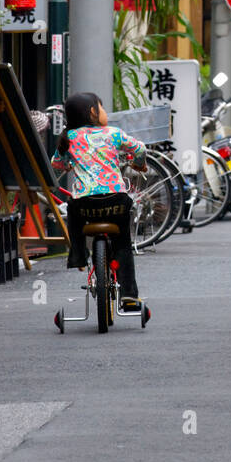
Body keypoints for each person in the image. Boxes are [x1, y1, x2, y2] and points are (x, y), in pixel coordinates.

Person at [52, 92, 148, 310]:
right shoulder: (113, 134)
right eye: (102, 108)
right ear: (94, 113)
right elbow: (140, 148)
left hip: (85, 206)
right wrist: (139, 164)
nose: (104, 112)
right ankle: (129, 295)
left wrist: (68, 164)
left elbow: (56, 162)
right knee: (123, 243)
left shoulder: (70, 137)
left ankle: (78, 255)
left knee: (74, 215)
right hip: (116, 201)